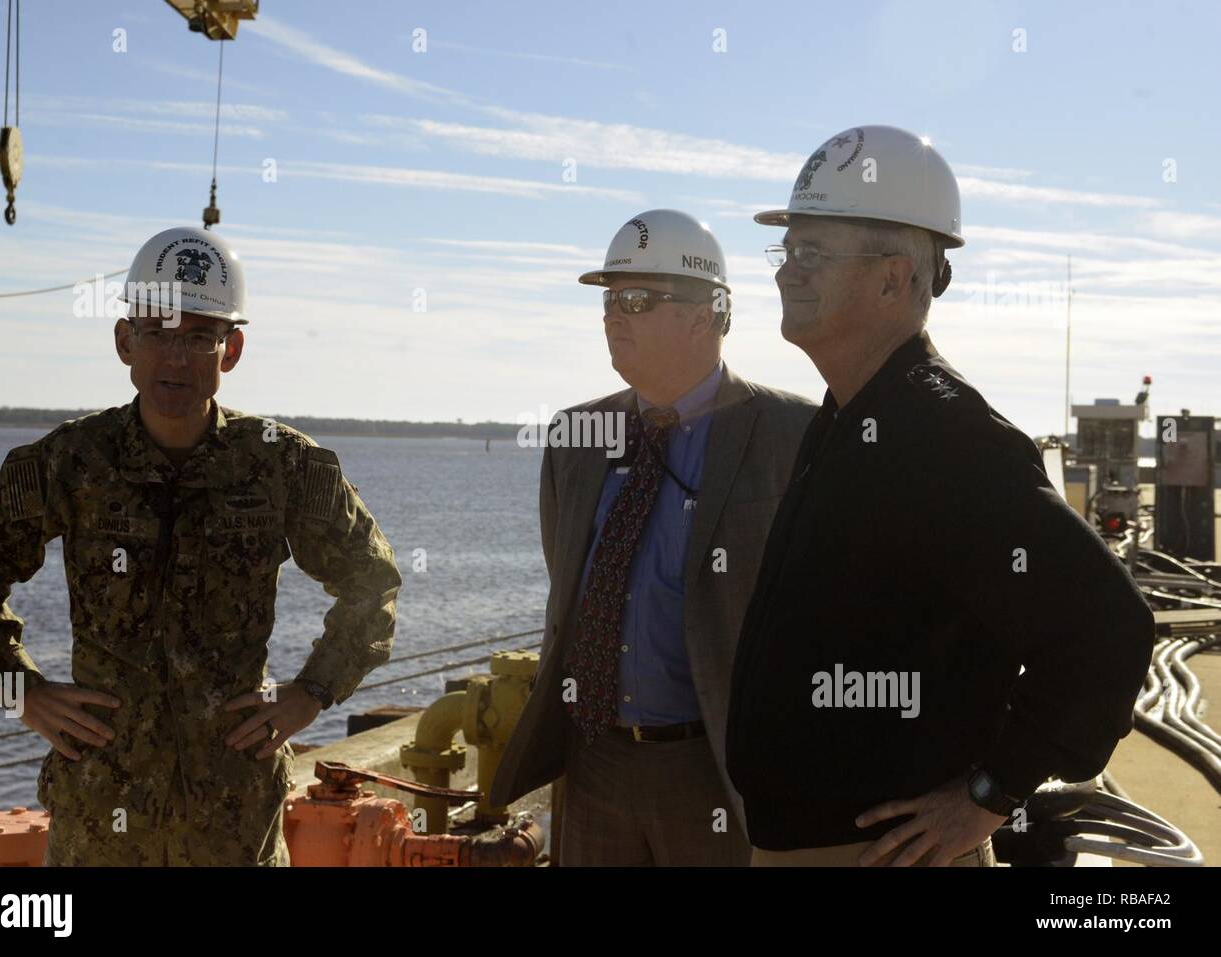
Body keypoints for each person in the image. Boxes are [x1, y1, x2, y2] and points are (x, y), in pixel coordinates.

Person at [726, 126, 1155, 866]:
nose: (784, 274)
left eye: (812, 253)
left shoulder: (945, 435)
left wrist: (992, 792)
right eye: (786, 250)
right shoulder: (850, 414)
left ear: (894, 278)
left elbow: (1108, 630)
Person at [0, 226, 402, 866]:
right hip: (103, 816)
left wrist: (310, 693)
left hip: (233, 818)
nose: (175, 358)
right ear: (126, 342)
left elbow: (372, 582)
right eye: (157, 333)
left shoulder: (282, 465)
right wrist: (23, 691)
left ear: (230, 349)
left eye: (198, 337)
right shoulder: (70, 462)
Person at [489, 209, 817, 865]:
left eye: (635, 300)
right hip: (594, 769)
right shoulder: (573, 439)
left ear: (705, 313)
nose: (613, 315)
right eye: (609, 300)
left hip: (718, 772)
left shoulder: (795, 433)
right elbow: (571, 590)